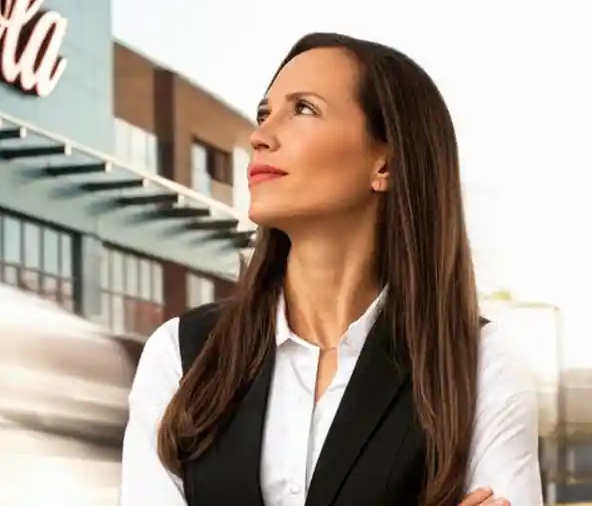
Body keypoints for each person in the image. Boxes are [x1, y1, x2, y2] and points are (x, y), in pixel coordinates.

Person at [119, 33, 542, 506]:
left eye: (303, 109)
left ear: (386, 163)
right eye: (264, 113)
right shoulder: (181, 357)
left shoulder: (482, 364)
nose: (260, 135)